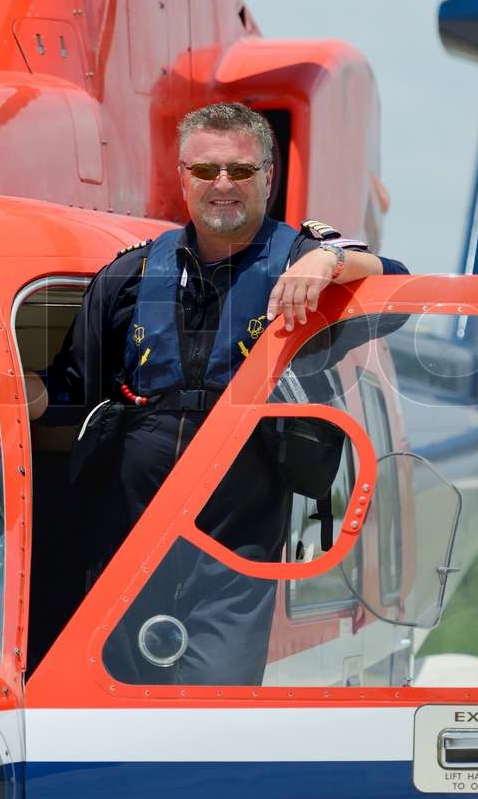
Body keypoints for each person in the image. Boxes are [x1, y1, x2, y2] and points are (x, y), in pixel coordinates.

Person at [44, 101, 408, 684]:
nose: (222, 185)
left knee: (215, 718)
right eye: (206, 170)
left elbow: (399, 288)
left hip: (239, 561)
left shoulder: (302, 263)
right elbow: (70, 386)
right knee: (114, 715)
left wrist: (331, 259)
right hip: (130, 547)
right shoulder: (130, 275)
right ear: (182, 178)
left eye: (240, 171)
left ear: (268, 176)